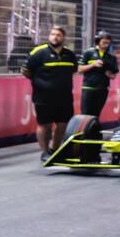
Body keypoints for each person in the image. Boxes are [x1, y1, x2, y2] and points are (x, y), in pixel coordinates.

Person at [22, 24, 77, 162]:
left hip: (64, 97)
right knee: (44, 125)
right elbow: (26, 71)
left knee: (63, 124)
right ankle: (44, 151)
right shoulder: (38, 52)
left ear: (63, 37)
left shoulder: (69, 55)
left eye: (58, 35)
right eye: (52, 34)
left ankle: (55, 149)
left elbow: (74, 70)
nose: (55, 37)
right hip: (43, 97)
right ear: (49, 36)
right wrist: (41, 83)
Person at [78, 30, 119, 119]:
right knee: (85, 114)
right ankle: (84, 132)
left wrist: (109, 74)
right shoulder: (88, 53)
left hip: (102, 89)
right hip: (89, 88)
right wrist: (93, 65)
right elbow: (79, 69)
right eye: (104, 42)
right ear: (98, 41)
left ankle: (93, 131)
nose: (106, 45)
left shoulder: (111, 57)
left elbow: (114, 75)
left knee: (96, 114)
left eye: (108, 43)